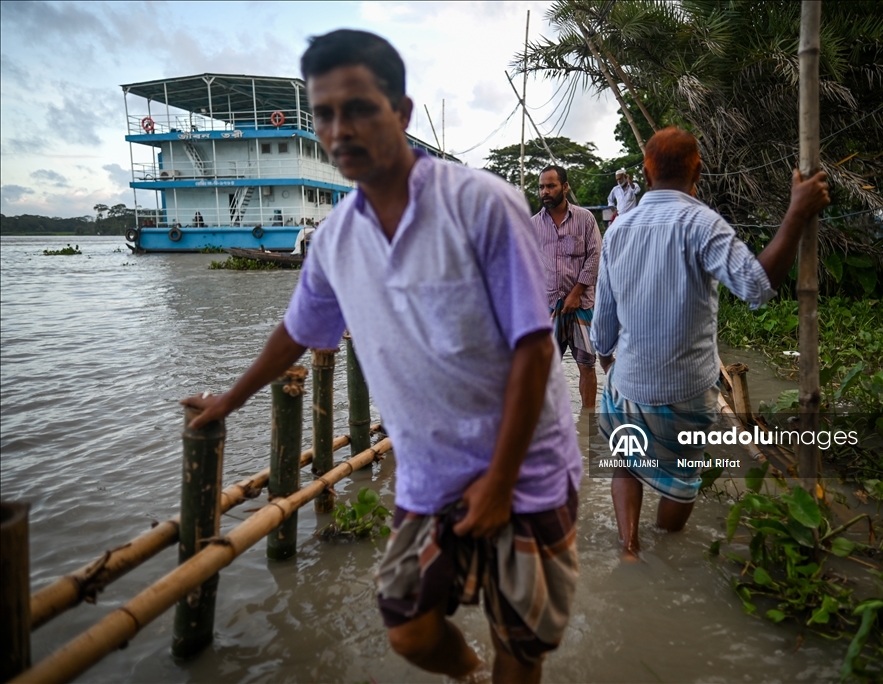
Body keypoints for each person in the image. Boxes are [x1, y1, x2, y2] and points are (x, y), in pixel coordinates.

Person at [182, 30, 581, 684]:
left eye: (360, 108)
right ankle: (469, 674)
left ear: (402, 112)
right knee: (408, 627)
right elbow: (296, 330)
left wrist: (503, 481)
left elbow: (535, 349)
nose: (340, 129)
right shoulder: (337, 239)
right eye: (325, 113)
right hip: (428, 474)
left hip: (525, 464)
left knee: (524, 642)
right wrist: (230, 398)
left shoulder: (478, 204)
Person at [591, 127, 829, 561]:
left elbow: (602, 333)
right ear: (697, 170)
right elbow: (757, 287)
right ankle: (665, 553)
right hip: (686, 394)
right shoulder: (702, 223)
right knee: (682, 481)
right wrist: (796, 214)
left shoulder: (618, 232)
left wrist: (617, 371)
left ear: (645, 171)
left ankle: (629, 550)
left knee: (623, 459)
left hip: (626, 385)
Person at [533, 165, 602, 409]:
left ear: (565, 187)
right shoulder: (533, 225)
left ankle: (587, 424)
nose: (545, 192)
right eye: (541, 187)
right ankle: (548, 428)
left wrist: (576, 293)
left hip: (581, 304)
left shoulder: (585, 219)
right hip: (549, 307)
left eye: (551, 186)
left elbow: (594, 257)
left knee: (586, 365)